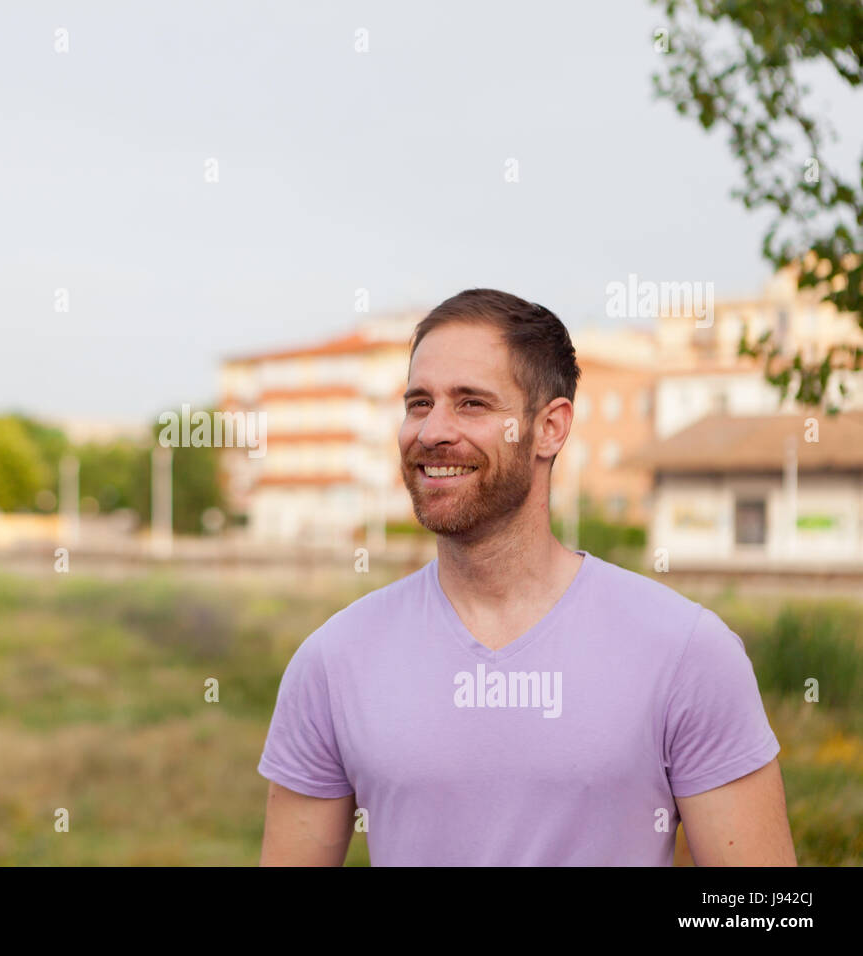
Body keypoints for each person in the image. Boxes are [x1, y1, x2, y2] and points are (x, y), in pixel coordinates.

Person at [257, 289, 796, 866]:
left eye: (472, 404)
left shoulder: (688, 652)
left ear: (551, 428)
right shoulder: (333, 661)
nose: (432, 431)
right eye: (419, 402)